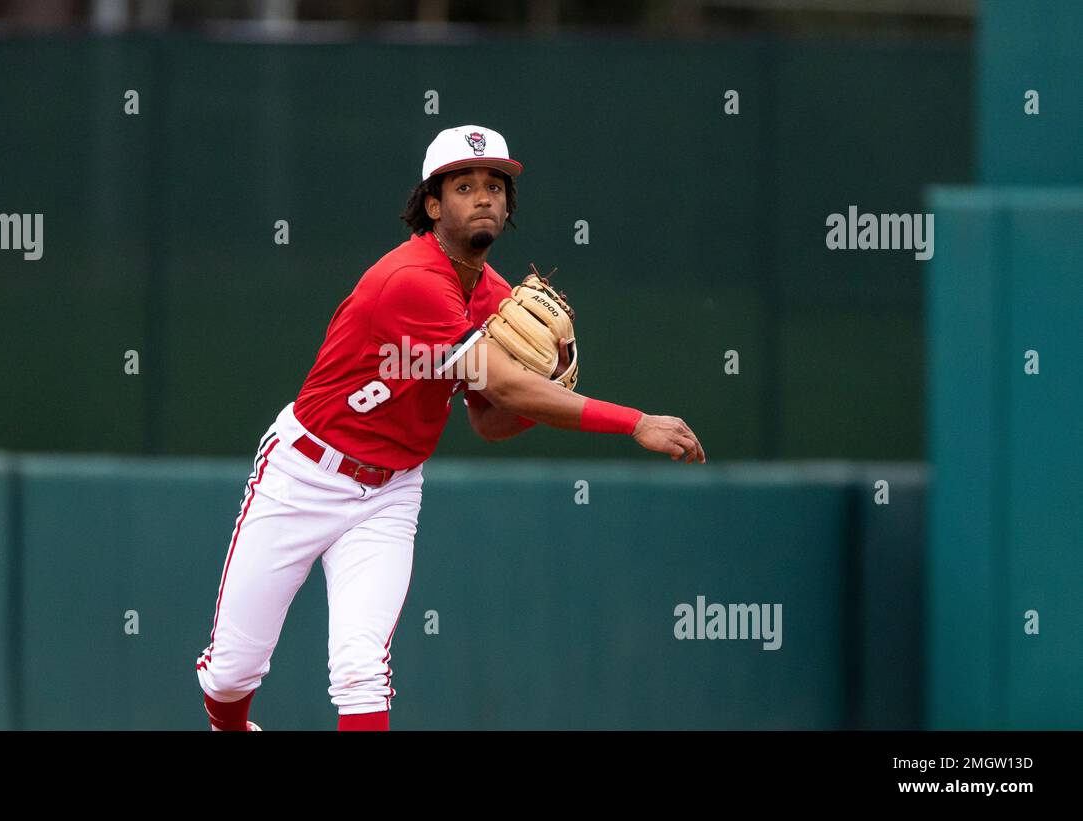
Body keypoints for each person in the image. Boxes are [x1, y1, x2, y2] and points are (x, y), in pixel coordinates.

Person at [195, 124, 705, 731]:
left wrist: (556, 381)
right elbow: (512, 387)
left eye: (496, 184)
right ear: (433, 206)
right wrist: (635, 422)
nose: (485, 195)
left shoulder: (494, 298)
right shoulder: (410, 280)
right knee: (231, 671)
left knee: (361, 668)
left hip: (387, 495)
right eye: (464, 185)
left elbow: (492, 419)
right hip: (302, 473)